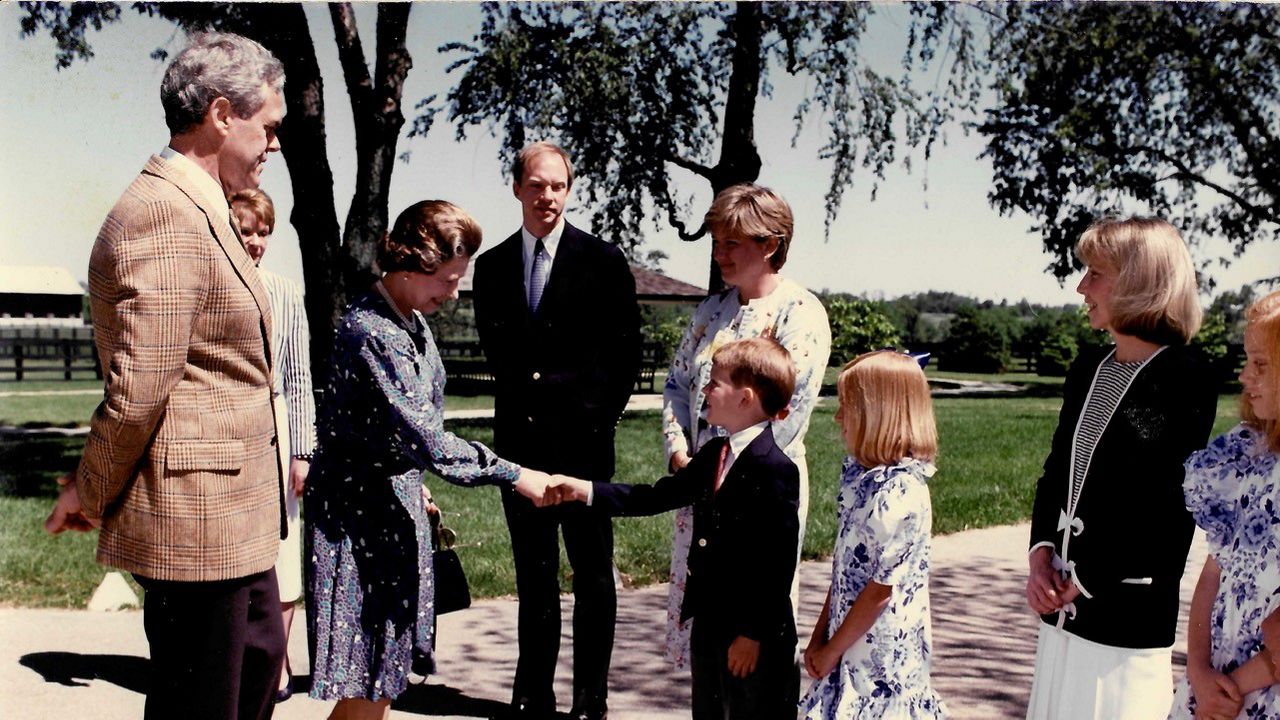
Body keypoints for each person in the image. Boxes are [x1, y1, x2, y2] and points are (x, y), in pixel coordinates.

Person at [42, 32, 288, 720]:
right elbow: (138, 390)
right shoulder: (164, 214)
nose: (275, 145)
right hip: (195, 521)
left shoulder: (202, 205)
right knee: (202, 704)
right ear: (220, 114)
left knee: (259, 662)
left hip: (235, 516)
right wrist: (90, 492)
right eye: (269, 128)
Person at [304, 200, 556, 720]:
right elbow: (428, 438)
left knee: (380, 682)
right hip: (357, 524)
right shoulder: (372, 331)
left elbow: (402, 430)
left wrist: (412, 482)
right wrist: (515, 475)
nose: (454, 292)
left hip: (391, 514)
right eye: (447, 278)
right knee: (367, 678)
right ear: (410, 263)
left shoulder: (412, 321)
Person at [471, 141, 641, 719]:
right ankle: (531, 695)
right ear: (518, 189)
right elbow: (503, 357)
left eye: (558, 186)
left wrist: (592, 420)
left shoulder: (603, 261)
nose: (547, 196)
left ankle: (591, 699)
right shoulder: (492, 267)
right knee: (534, 578)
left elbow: (625, 359)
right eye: (537, 185)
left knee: (594, 578)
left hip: (585, 453)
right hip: (521, 453)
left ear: (569, 191)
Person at [1024, 217, 1218, 719]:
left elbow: (1161, 502)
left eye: (1095, 273)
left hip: (1123, 622)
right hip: (1060, 613)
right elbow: (1057, 471)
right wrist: (1042, 552)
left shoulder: (1182, 378)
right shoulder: (1089, 367)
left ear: (1139, 280)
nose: (1080, 287)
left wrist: (1088, 578)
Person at [553, 337, 801, 719]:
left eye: (715, 382)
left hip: (753, 634)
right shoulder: (715, 454)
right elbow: (653, 497)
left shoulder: (776, 469)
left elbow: (777, 562)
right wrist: (584, 490)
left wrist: (752, 634)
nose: (705, 390)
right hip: (711, 623)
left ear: (745, 398)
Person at [661, 182, 831, 668]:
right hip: (700, 487)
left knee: (750, 640)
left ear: (771, 244)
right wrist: (679, 450)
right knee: (708, 645)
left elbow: (787, 410)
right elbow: (676, 386)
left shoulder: (801, 313)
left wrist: (723, 472)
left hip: (755, 499)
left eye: (732, 242)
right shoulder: (712, 310)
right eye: (716, 242)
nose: (720, 254)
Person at [799, 350, 946, 719]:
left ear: (879, 413)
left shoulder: (899, 494)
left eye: (846, 406)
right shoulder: (866, 483)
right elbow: (845, 573)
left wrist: (831, 650)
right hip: (848, 646)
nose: (837, 418)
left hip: (879, 664)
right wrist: (821, 637)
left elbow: (880, 591)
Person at [1170, 290, 1280, 720]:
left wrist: (1229, 691)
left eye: (1261, 364)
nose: (1244, 375)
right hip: (1212, 684)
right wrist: (1198, 670)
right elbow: (1213, 575)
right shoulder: (1246, 458)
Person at [229, 188, 316, 704]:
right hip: (231, 426)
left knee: (283, 543)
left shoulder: (284, 291)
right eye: (247, 232)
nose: (257, 242)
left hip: (278, 424)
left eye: (264, 233)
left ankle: (279, 664)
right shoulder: (214, 282)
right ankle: (240, 658)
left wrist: (303, 449)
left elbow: (299, 377)